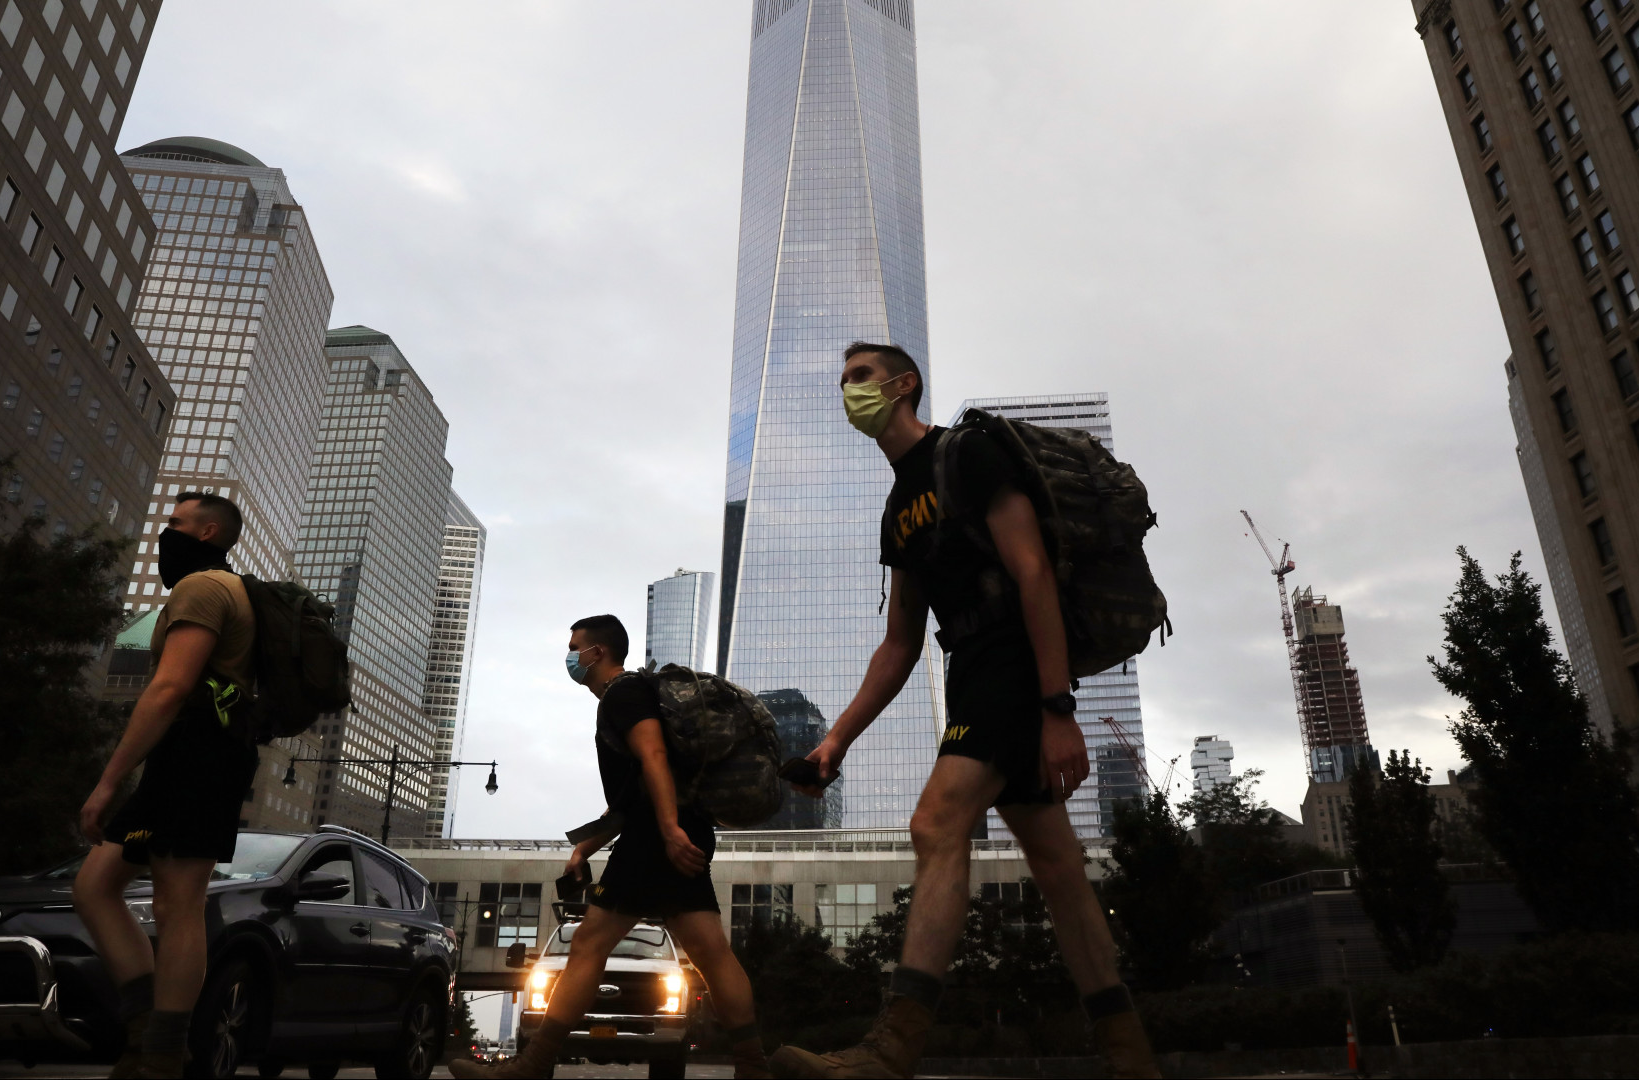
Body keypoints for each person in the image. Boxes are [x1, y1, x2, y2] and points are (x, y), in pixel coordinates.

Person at [768, 344, 1162, 1080]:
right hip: (970, 668)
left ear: (902, 383)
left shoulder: (969, 453)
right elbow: (900, 644)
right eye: (844, 380)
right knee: (1057, 866)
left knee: (935, 823)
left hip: (1014, 662)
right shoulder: (897, 509)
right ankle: (1131, 1056)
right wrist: (835, 743)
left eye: (859, 377)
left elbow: (1032, 571)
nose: (846, 390)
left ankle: (893, 1050)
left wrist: (1056, 708)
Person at [448, 615, 768, 1079]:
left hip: (657, 837)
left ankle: (533, 1066)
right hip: (673, 829)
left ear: (598, 652)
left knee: (589, 944)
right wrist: (587, 847)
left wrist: (669, 829)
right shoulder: (633, 695)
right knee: (711, 952)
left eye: (575, 646)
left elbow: (653, 755)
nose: (571, 655)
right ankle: (754, 1068)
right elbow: (628, 800)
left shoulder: (622, 694)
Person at [72, 492, 260, 1078]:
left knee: (177, 902)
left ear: (207, 533)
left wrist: (108, 780)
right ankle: (144, 1028)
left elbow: (169, 688)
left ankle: (160, 1056)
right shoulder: (229, 588)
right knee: (96, 884)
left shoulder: (204, 588)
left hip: (199, 753)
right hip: (194, 754)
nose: (165, 533)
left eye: (175, 524)